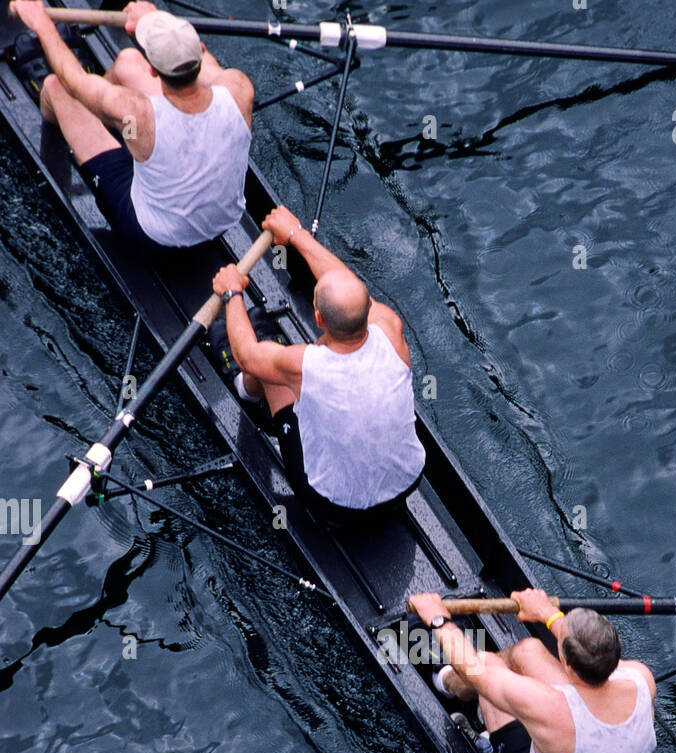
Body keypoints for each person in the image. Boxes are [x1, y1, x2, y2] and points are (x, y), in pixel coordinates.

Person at [210, 205, 425, 524]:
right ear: (368, 308)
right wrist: (296, 235)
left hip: (334, 504)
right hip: (408, 483)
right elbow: (345, 283)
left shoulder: (301, 365)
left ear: (319, 318)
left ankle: (245, 393)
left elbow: (247, 355)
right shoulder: (390, 327)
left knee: (269, 362)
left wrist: (231, 292)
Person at [11, 1, 253, 255]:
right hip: (222, 223)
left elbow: (73, 81)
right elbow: (204, 66)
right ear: (201, 51)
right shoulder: (239, 87)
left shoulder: (137, 112)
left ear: (153, 69)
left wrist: (41, 24)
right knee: (127, 61)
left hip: (152, 235)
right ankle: (106, 113)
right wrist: (158, 21)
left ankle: (52, 135)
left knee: (55, 87)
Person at [408, 588, 657, 753]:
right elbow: (585, 647)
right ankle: (463, 695)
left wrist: (438, 619)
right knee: (529, 651)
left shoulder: (549, 706)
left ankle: (447, 684)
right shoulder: (641, 677)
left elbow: (476, 672)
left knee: (487, 667)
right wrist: (547, 612)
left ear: (567, 666)